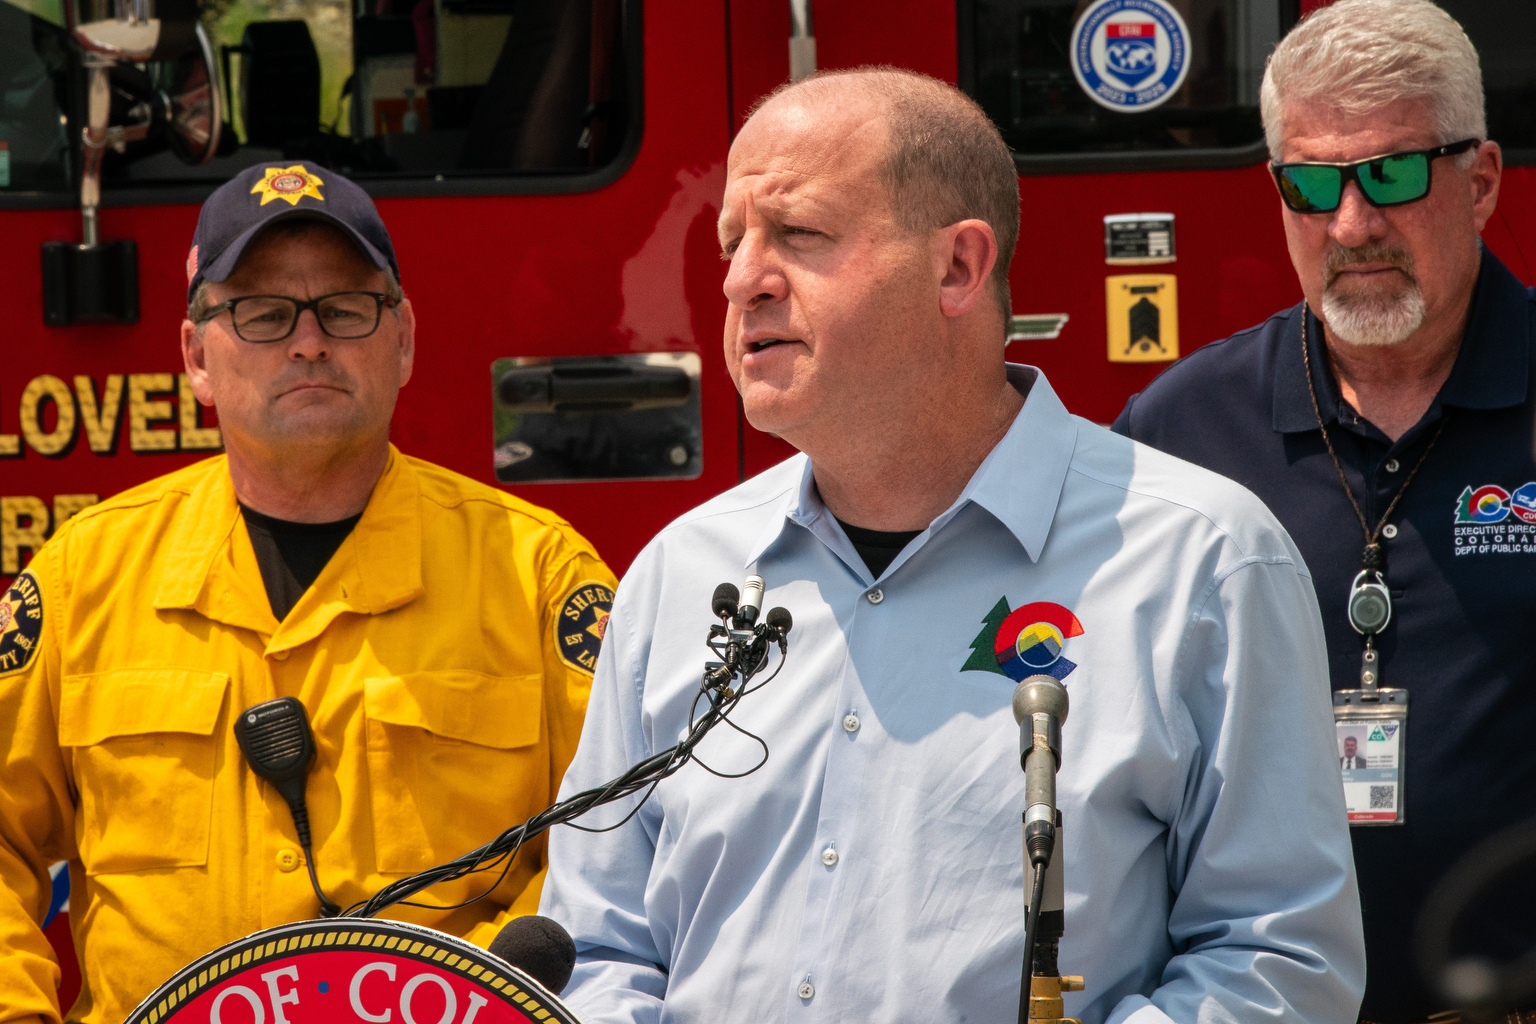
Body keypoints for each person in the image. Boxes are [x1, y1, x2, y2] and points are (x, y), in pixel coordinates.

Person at [540, 68, 1364, 1024]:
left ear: (959, 269)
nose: (741, 279)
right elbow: (596, 948)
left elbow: (1278, 960)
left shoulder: (1203, 561)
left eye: (799, 236)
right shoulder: (683, 573)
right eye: (733, 243)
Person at [0, 161, 615, 1024]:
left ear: (402, 340)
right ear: (196, 355)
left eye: (346, 308)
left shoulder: (537, 576)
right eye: (262, 313)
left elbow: (627, 842)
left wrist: (488, 1002)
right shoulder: (82, 580)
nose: (309, 341)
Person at [1111, 2, 1535, 1018]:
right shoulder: (1179, 429)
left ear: (1479, 182)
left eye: (1390, 174)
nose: (1351, 224)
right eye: (1312, 184)